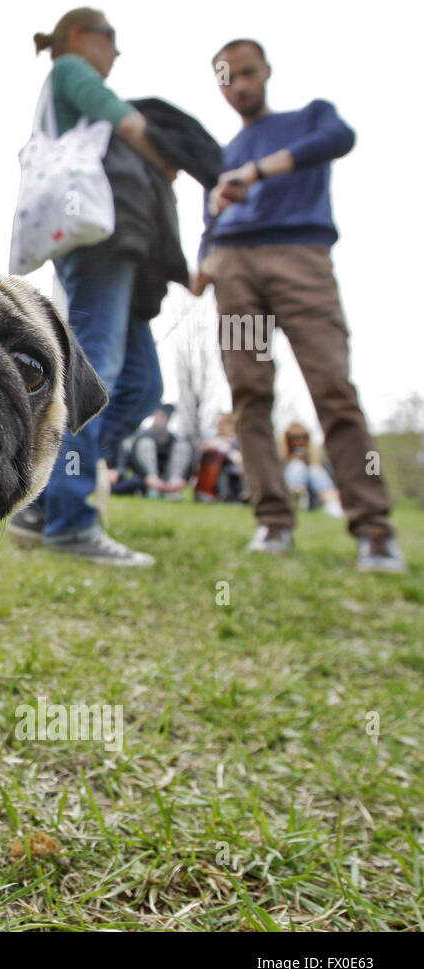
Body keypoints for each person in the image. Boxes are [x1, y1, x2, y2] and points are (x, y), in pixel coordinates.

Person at [191, 39, 405, 572]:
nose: (239, 85)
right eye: (228, 78)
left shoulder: (311, 119)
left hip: (300, 263)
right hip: (235, 272)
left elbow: (340, 139)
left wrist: (258, 173)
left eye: (247, 73)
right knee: (249, 393)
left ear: (265, 71)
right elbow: (210, 221)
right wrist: (203, 261)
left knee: (332, 387)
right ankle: (272, 520)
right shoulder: (222, 156)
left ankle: (374, 528)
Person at [9, 8, 202, 565]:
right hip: (98, 244)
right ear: (78, 38)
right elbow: (126, 123)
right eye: (111, 41)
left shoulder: (68, 75)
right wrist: (176, 158)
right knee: (96, 376)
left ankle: (48, 497)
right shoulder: (71, 71)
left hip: (119, 250)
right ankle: (71, 523)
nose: (117, 54)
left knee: (140, 386)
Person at [111, 404, 193, 498]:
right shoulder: (142, 438)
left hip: (169, 479)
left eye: (163, 416)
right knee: (145, 443)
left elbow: (189, 464)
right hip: (146, 480)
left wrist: (183, 479)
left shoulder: (177, 441)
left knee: (182, 446)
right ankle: (152, 489)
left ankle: (173, 486)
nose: (159, 419)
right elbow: (132, 461)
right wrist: (148, 478)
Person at [282, 421, 343, 517]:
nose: (299, 441)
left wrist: (310, 461)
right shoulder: (280, 459)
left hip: (316, 497)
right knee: (297, 466)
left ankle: (332, 502)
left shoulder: (318, 457)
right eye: (294, 438)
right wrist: (291, 460)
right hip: (286, 493)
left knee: (314, 470)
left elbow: (332, 477)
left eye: (304, 437)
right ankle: (297, 494)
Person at [194, 411, 247, 502]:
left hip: (235, 476)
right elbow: (202, 447)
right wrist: (226, 451)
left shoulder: (238, 442)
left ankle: (242, 494)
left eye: (223, 423)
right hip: (219, 479)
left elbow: (240, 459)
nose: (219, 426)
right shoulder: (211, 440)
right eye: (218, 423)